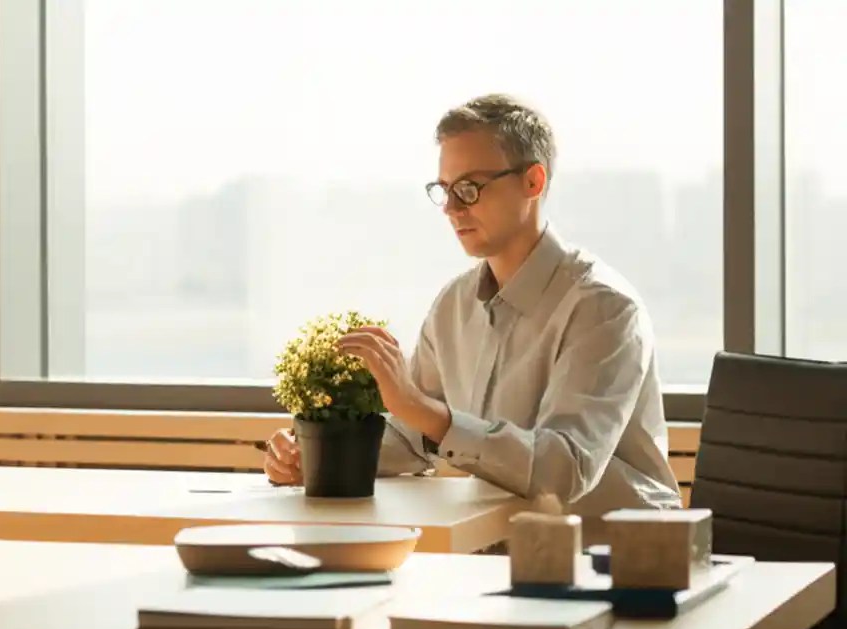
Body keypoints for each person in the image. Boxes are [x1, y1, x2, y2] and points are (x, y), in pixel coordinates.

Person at [264, 93, 682, 534]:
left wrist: (424, 411)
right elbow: (413, 438)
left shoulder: (605, 309)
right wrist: (315, 460)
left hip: (625, 562)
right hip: (500, 553)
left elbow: (565, 472)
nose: (451, 209)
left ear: (533, 182)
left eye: (469, 188)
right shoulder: (454, 305)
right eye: (444, 190)